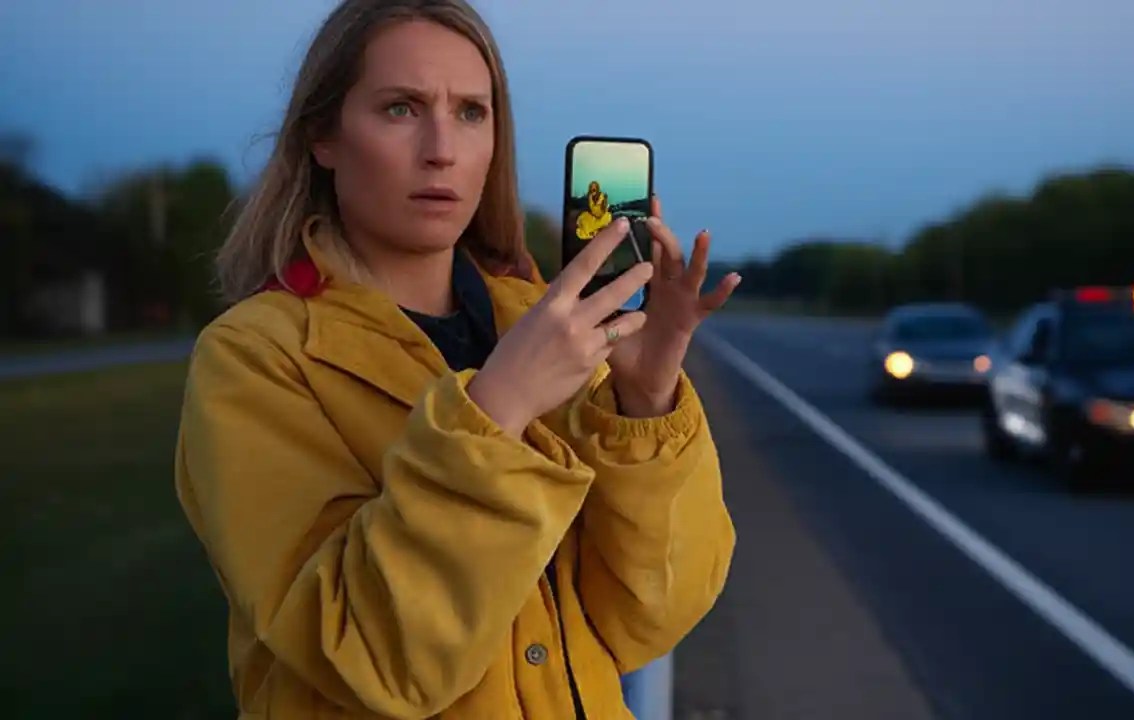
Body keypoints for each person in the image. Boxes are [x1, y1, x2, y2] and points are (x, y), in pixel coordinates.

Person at [172, 1, 741, 719]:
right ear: (324, 135)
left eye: (472, 112)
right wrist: (497, 411)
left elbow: (646, 620)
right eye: (402, 108)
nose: (442, 148)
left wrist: (644, 402)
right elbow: (377, 657)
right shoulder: (256, 357)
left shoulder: (543, 325)